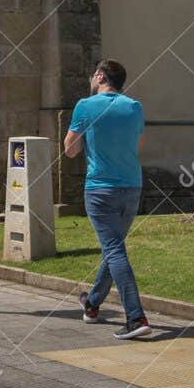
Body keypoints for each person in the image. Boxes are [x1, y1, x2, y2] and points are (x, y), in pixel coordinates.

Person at [65, 58, 150, 339]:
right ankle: (91, 304)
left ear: (100, 76)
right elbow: (138, 146)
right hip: (132, 187)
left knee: (114, 250)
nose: (92, 79)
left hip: (100, 189)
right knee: (113, 248)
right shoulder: (134, 107)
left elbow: (70, 150)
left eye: (93, 75)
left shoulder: (85, 106)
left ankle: (136, 318)